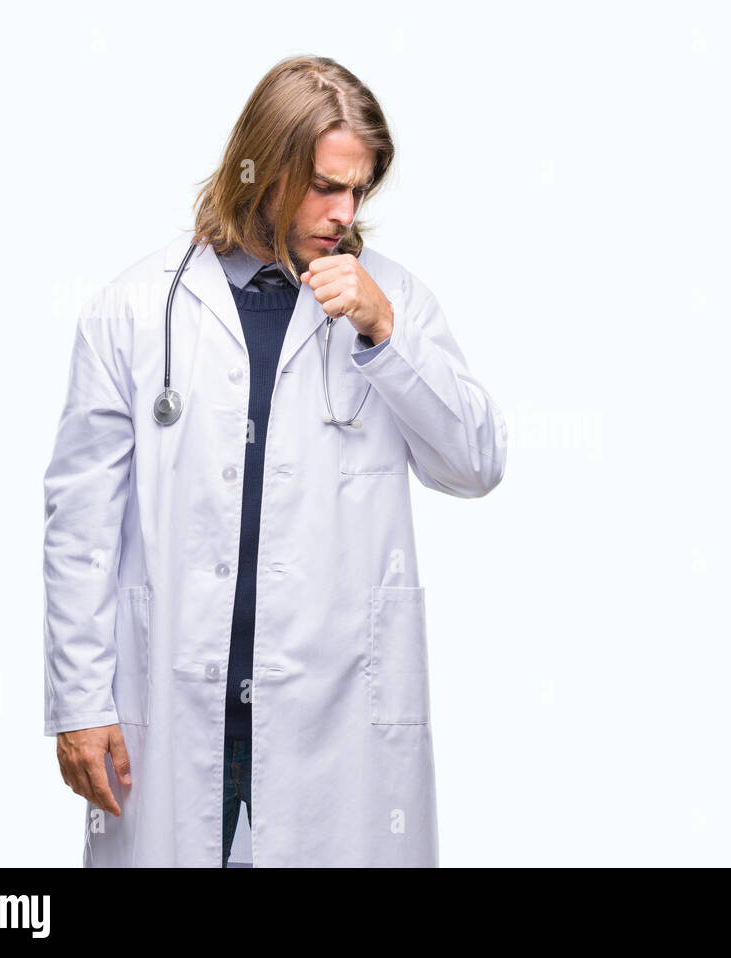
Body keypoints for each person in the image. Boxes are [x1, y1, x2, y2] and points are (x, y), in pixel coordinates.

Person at [43, 54, 506, 867]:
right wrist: (79, 702)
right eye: (325, 187)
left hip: (337, 713)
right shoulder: (133, 310)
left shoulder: (394, 301)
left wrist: (384, 332)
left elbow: (474, 463)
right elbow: (79, 528)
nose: (345, 212)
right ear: (263, 166)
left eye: (359, 190)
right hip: (176, 704)